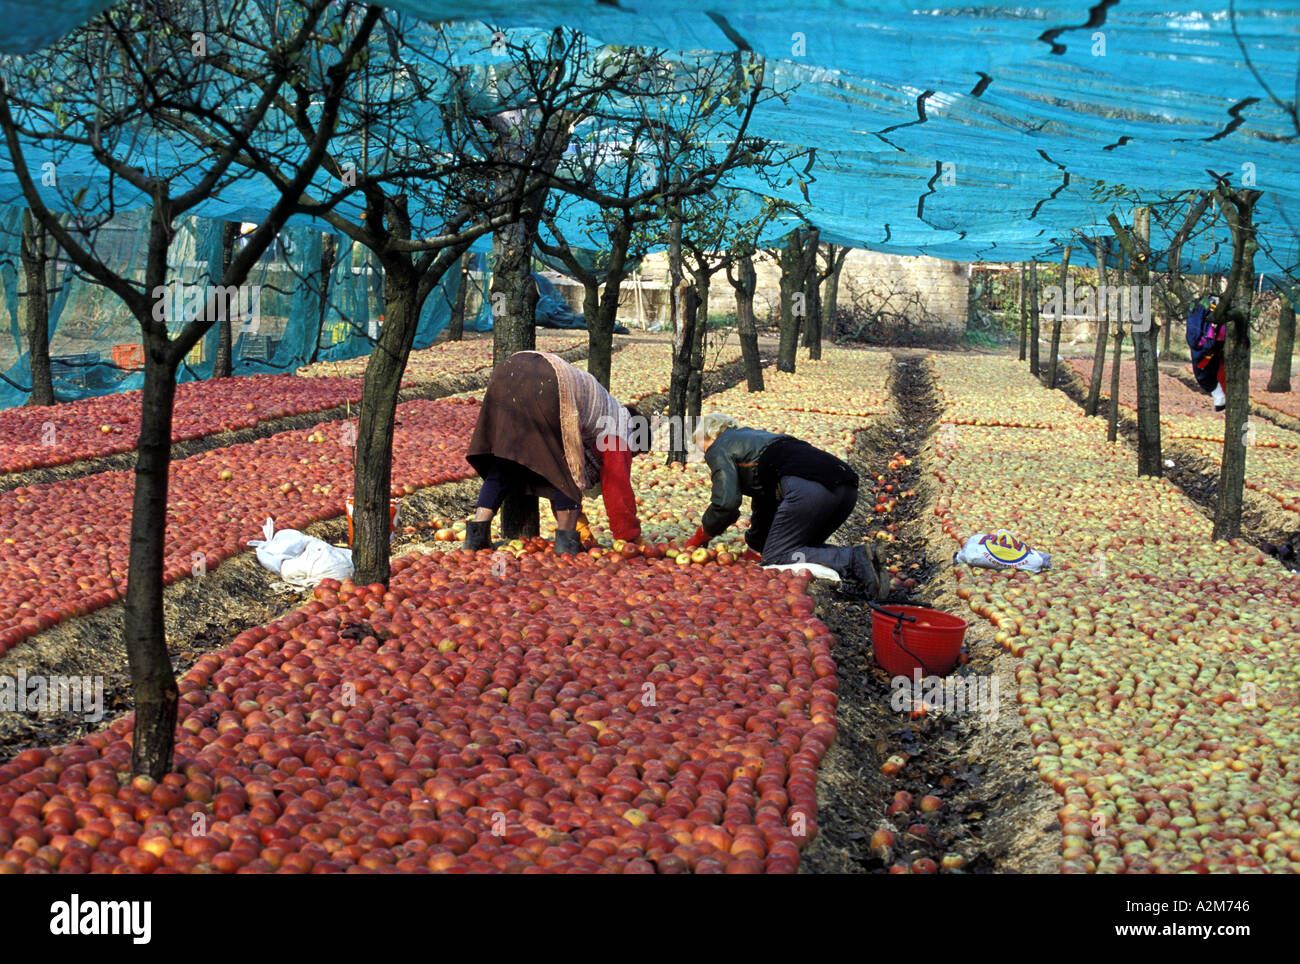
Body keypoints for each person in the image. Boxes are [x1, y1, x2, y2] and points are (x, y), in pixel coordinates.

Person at [684, 413, 886, 597]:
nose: (705, 455)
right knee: (800, 548)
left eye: (703, 447)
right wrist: (756, 546)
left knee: (778, 557)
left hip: (810, 489)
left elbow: (726, 503)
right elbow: (765, 503)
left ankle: (853, 558)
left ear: (711, 435)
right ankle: (867, 570)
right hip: (845, 486)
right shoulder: (760, 440)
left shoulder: (720, 446)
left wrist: (703, 534)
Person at [464, 350, 648, 553]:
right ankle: (566, 544)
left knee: (506, 461)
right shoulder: (621, 429)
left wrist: (584, 532)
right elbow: (617, 487)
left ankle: (476, 536)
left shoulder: (602, 413)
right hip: (549, 381)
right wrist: (629, 538)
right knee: (565, 470)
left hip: (509, 370)